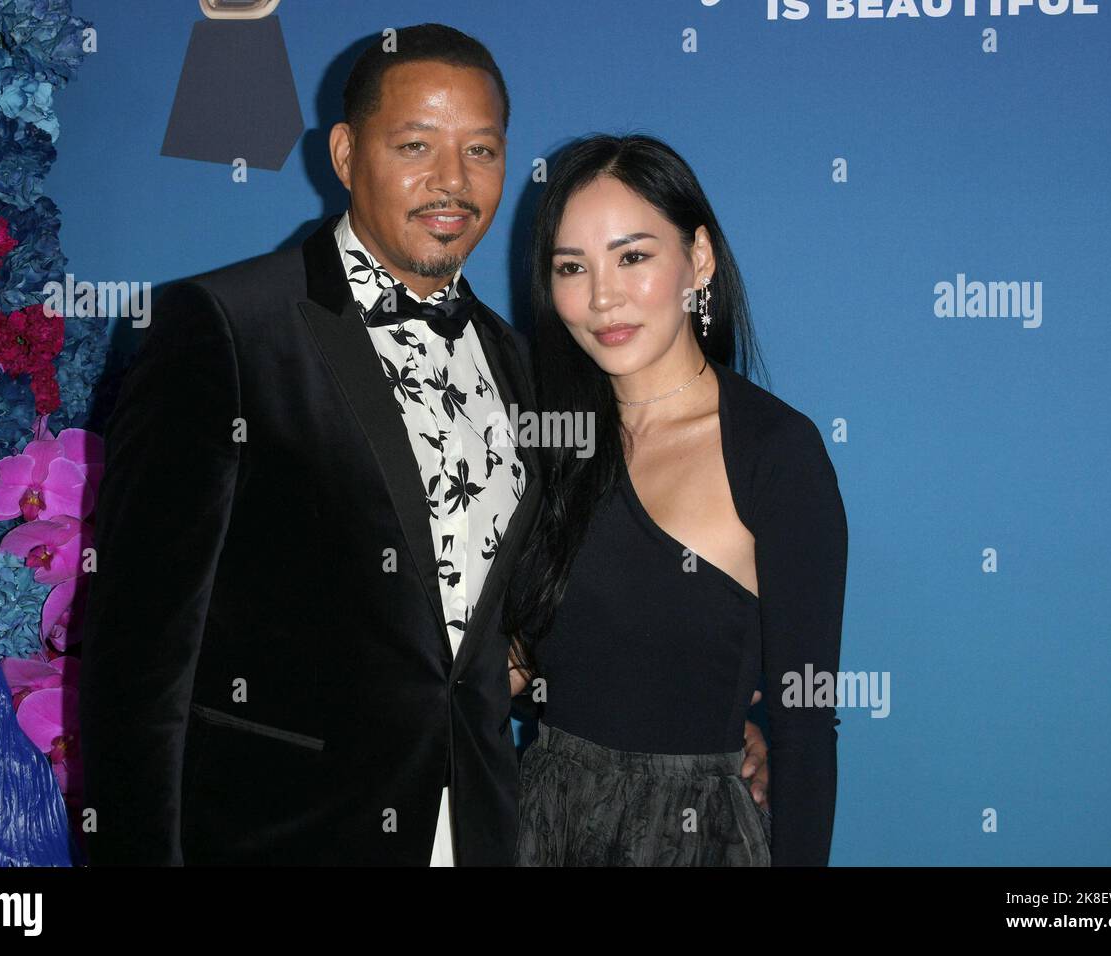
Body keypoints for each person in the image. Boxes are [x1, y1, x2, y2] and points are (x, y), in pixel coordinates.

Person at [79, 24, 771, 866]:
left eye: (480, 150)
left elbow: (530, 624)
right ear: (343, 152)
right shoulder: (223, 329)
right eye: (415, 145)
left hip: (482, 829)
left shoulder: (520, 363)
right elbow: (138, 664)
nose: (452, 181)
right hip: (279, 834)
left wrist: (694, 722)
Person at [504, 134, 848, 866]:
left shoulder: (775, 454)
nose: (602, 297)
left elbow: (806, 727)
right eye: (573, 267)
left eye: (632, 256)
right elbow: (518, 665)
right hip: (540, 826)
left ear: (697, 259)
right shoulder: (541, 436)